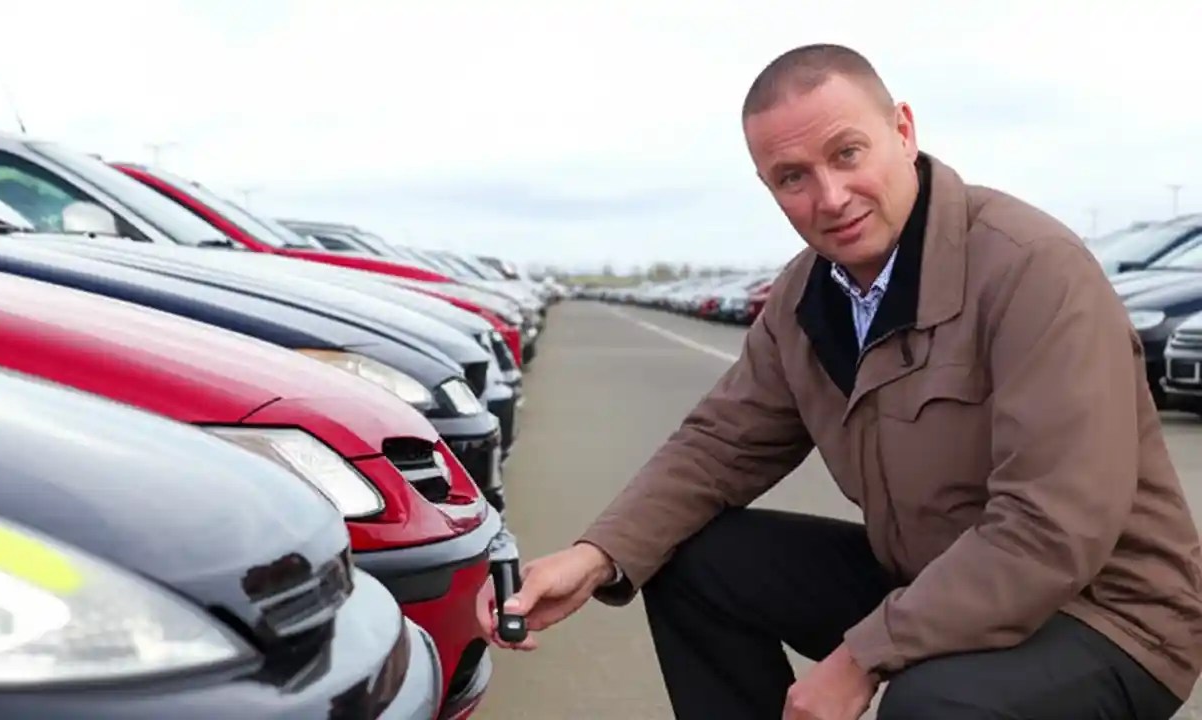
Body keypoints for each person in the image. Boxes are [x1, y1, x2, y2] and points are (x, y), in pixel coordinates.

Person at [476, 43, 1202, 719]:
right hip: (930, 583)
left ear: (903, 131)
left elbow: (1052, 528)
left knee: (931, 702)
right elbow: (719, 445)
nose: (830, 196)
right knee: (689, 563)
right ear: (767, 186)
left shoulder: (1030, 268)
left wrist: (863, 657)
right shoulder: (804, 300)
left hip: (1108, 614)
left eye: (847, 153)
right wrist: (594, 556)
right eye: (793, 177)